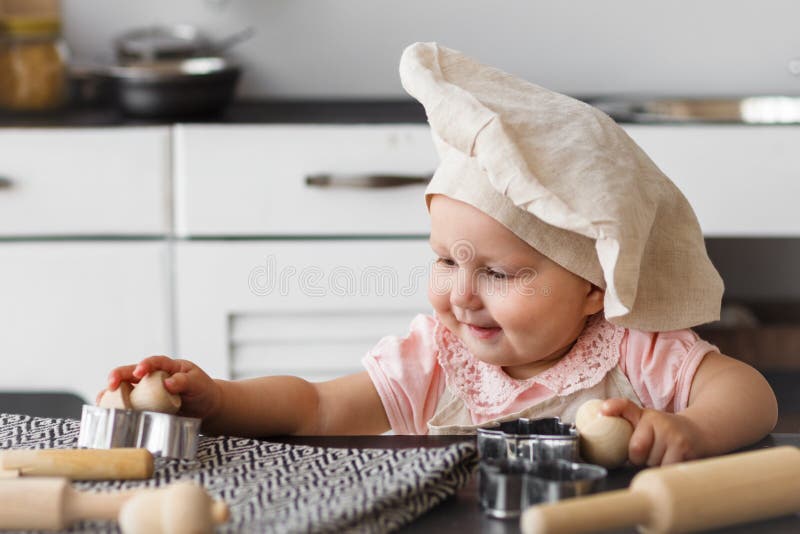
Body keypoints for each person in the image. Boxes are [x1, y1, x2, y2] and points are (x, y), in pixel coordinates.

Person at [103, 43, 778, 467]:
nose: (462, 294)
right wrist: (216, 401)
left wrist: (689, 428)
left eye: (500, 272)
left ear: (597, 283)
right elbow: (314, 407)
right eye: (447, 262)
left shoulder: (635, 349)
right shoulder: (436, 357)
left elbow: (749, 395)